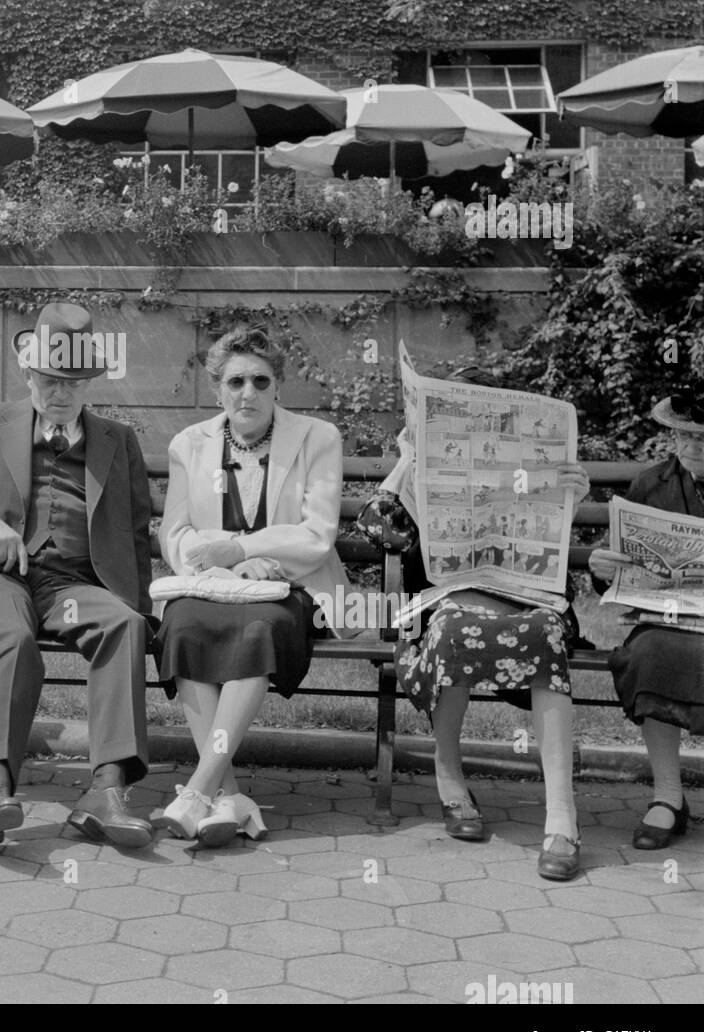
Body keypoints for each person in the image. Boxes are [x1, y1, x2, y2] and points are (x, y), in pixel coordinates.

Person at [0, 301, 154, 848]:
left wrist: (140, 605)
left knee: (122, 625)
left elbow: (138, 530)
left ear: (90, 383)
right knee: (10, 634)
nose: (59, 392)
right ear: (28, 373)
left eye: (71, 382)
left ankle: (107, 791)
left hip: (71, 585)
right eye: (49, 379)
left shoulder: (118, 440)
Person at [357, 365, 591, 881]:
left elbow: (547, 550)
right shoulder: (418, 467)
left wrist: (570, 494)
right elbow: (378, 529)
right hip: (447, 604)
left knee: (545, 634)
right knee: (454, 628)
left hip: (526, 600)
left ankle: (561, 817)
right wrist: (407, 463)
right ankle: (449, 776)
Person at [157, 326, 344, 846]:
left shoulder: (317, 438)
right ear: (217, 387)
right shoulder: (188, 446)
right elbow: (176, 534)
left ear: (278, 386)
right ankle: (228, 796)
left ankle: (197, 790)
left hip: (292, 588)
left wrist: (246, 551)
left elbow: (317, 534)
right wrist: (227, 567)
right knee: (182, 627)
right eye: (236, 381)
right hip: (211, 586)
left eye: (261, 381)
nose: (249, 393)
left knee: (259, 628)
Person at [590, 393, 703, 848]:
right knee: (650, 652)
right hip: (671, 620)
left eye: (702, 437)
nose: (690, 446)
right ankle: (668, 797)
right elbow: (619, 579)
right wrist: (605, 570)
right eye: (682, 435)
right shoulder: (651, 485)